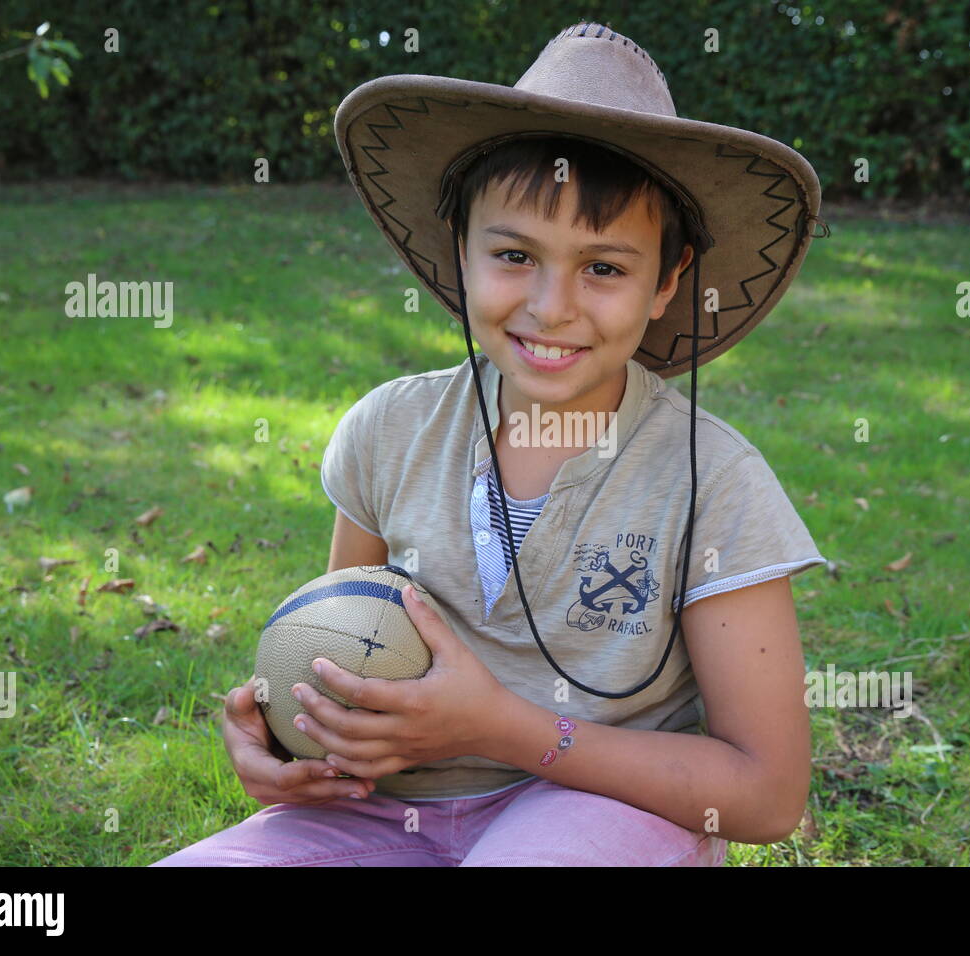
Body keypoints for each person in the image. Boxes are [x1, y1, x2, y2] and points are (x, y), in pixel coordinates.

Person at [153, 19, 828, 867]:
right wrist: (283, 738)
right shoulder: (388, 433)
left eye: (605, 268)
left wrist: (504, 730)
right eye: (514, 254)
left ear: (668, 281)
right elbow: (337, 636)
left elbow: (765, 793)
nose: (551, 306)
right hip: (381, 813)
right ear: (459, 251)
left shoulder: (714, 482)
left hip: (599, 806)